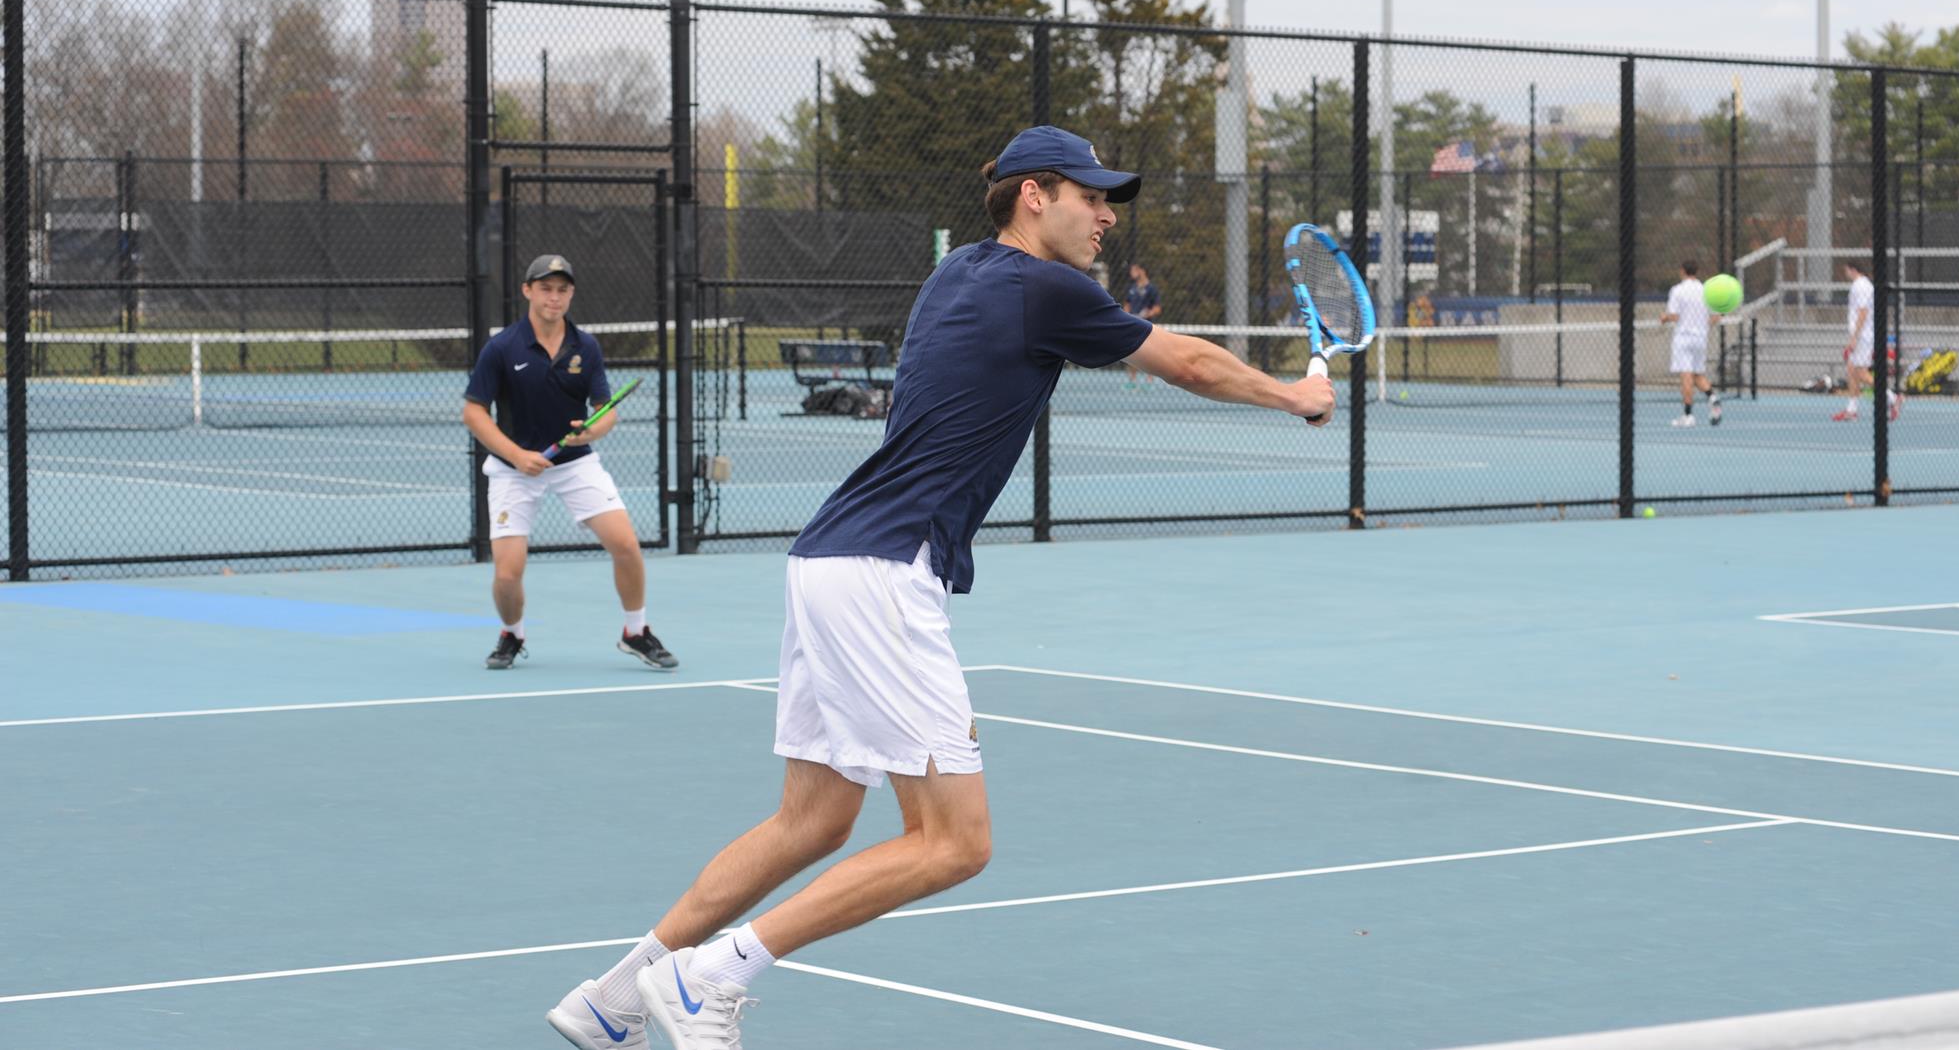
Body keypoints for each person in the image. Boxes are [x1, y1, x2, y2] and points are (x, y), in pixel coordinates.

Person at [543, 125, 1333, 1050]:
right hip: (884, 575)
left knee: (813, 820)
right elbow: (1186, 361)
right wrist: (1294, 395)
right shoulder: (1044, 287)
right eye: (1091, 197)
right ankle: (709, 974)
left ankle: (613, 997)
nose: (1107, 216)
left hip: (826, 561)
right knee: (957, 842)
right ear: (1035, 195)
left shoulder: (958, 270)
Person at [462, 254, 677, 672]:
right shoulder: (502, 347)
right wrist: (516, 455)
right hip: (513, 470)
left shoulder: (586, 346)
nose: (554, 298)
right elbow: (473, 412)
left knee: (626, 545)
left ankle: (635, 631)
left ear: (571, 294)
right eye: (545, 289)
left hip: (576, 464)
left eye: (562, 290)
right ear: (527, 291)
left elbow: (605, 411)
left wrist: (592, 432)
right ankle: (512, 633)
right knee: (507, 574)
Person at [1835, 257, 1901, 422]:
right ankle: (1852, 409)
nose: (1846, 273)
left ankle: (1892, 398)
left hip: (1863, 337)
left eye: (1846, 270)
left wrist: (1855, 337)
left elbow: (1863, 312)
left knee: (1861, 372)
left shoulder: (1861, 286)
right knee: (1851, 369)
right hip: (1862, 335)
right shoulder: (1861, 285)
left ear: (1852, 269)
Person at [1659, 260, 1721, 427]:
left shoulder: (1677, 290)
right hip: (1700, 338)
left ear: (1682, 271)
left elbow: (1674, 315)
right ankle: (1712, 397)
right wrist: (1700, 325)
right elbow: (1716, 317)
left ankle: (1688, 415)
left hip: (1683, 338)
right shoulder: (1705, 291)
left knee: (1686, 375)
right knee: (1696, 374)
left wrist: (1664, 317)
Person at [1121, 261, 1162, 385]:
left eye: (1134, 270)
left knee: (1149, 354)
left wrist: (1147, 314)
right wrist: (1126, 315)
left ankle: (1149, 381)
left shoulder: (1152, 289)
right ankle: (1132, 381)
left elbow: (1157, 308)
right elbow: (1127, 304)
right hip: (1132, 325)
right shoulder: (1132, 288)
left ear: (1142, 271)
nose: (1131, 273)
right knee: (1131, 353)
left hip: (1147, 327)